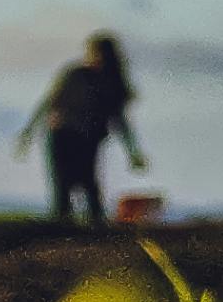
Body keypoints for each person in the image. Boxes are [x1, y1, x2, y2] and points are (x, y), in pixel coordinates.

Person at [15, 34, 149, 226]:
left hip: (86, 138)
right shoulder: (77, 75)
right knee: (64, 187)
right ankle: (66, 228)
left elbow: (119, 120)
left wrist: (133, 151)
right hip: (64, 134)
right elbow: (49, 102)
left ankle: (88, 230)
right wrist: (28, 133)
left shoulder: (110, 84)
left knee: (88, 185)